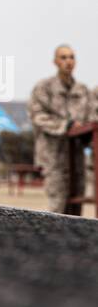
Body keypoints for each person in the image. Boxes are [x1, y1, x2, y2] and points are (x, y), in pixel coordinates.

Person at [29, 45, 96, 214]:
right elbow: (37, 117)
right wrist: (65, 126)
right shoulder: (44, 88)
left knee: (76, 212)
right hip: (54, 158)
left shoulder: (83, 91)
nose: (68, 61)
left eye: (72, 57)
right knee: (57, 208)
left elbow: (91, 118)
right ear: (55, 61)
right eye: (64, 57)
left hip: (77, 158)